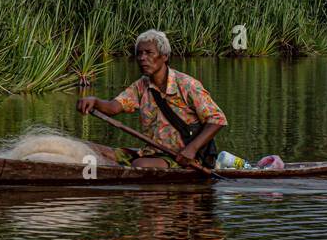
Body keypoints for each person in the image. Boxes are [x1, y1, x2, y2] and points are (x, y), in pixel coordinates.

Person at [77, 29, 226, 168]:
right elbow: (113, 107)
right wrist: (94, 101)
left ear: (164, 56)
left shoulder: (187, 85)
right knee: (90, 149)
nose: (142, 58)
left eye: (149, 53)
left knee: (140, 164)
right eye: (139, 53)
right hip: (152, 153)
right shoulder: (141, 86)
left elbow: (217, 119)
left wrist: (191, 150)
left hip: (184, 158)